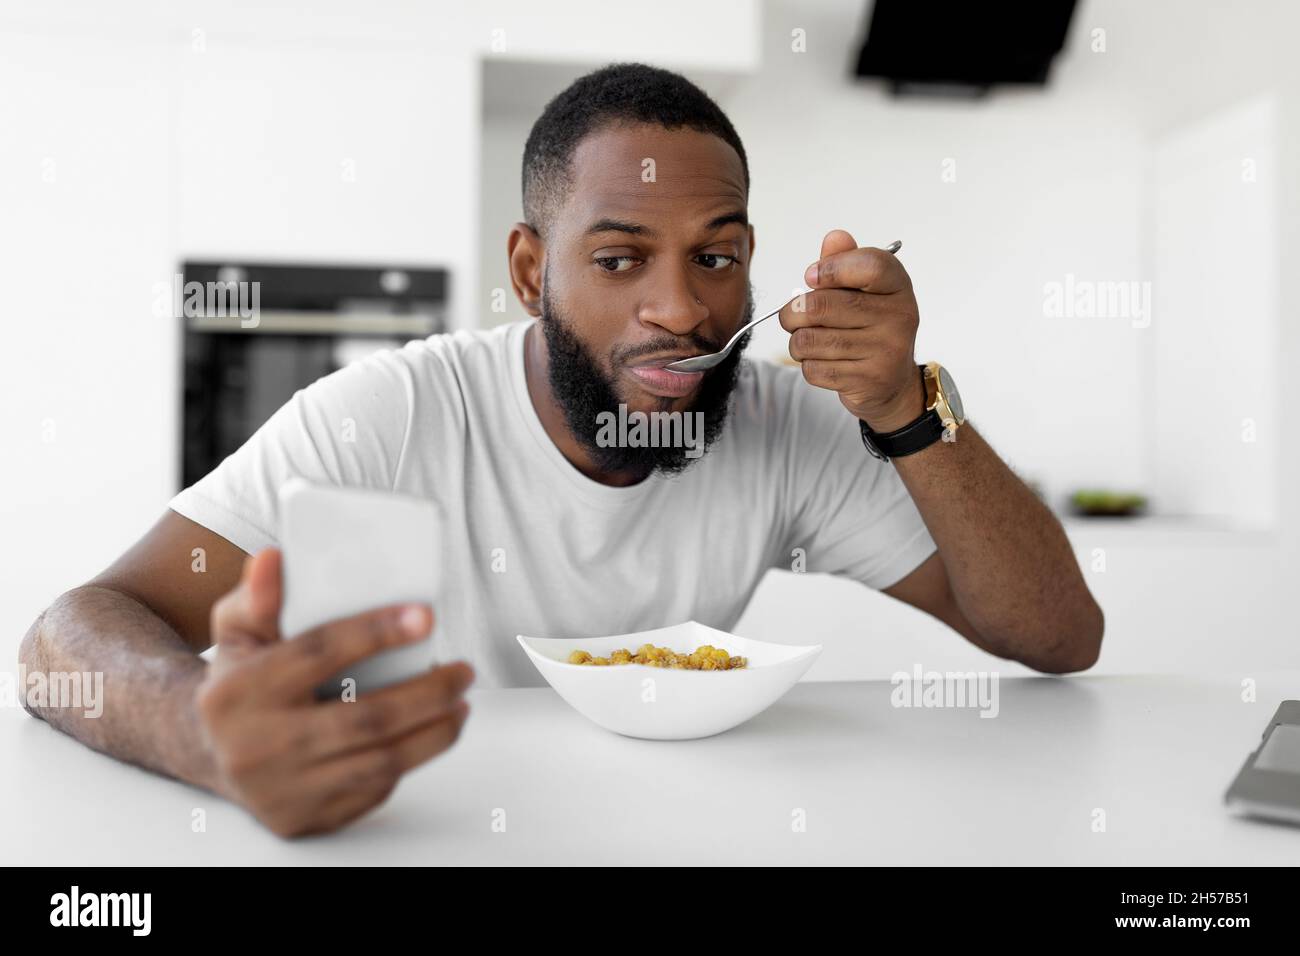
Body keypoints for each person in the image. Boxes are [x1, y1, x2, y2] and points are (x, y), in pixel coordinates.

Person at [19, 63, 1103, 837]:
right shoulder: (389, 414)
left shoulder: (789, 425)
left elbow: (1055, 636)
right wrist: (199, 735)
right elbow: (66, 635)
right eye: (621, 258)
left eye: (716, 257)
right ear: (532, 272)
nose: (680, 307)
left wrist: (906, 404)